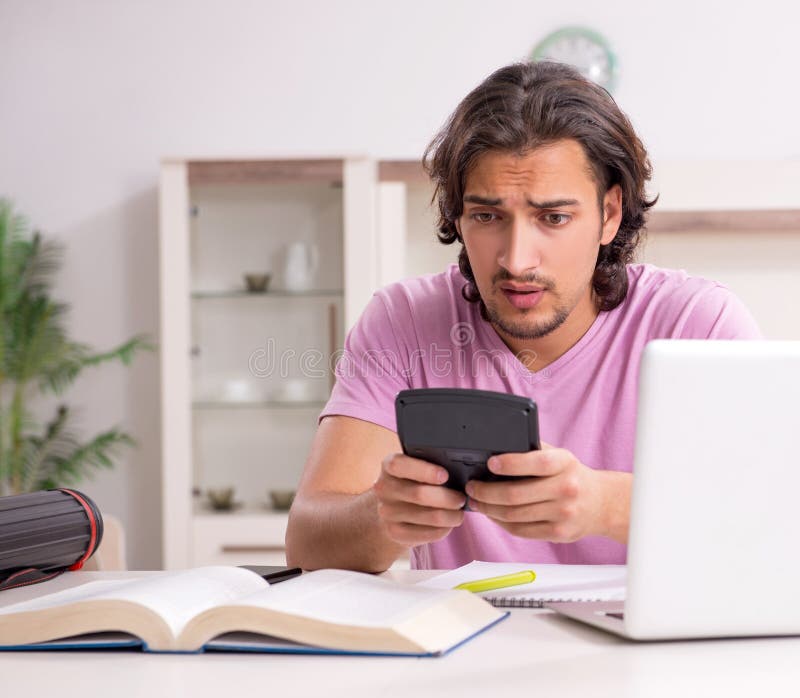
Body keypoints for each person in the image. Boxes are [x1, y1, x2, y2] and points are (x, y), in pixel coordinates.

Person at [285, 61, 762, 572]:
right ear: (458, 216)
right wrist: (382, 516)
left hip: (643, 648)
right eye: (488, 217)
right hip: (464, 645)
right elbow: (307, 546)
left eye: (553, 218)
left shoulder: (698, 324)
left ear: (609, 214)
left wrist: (608, 506)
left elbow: (771, 525)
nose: (516, 260)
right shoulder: (402, 322)